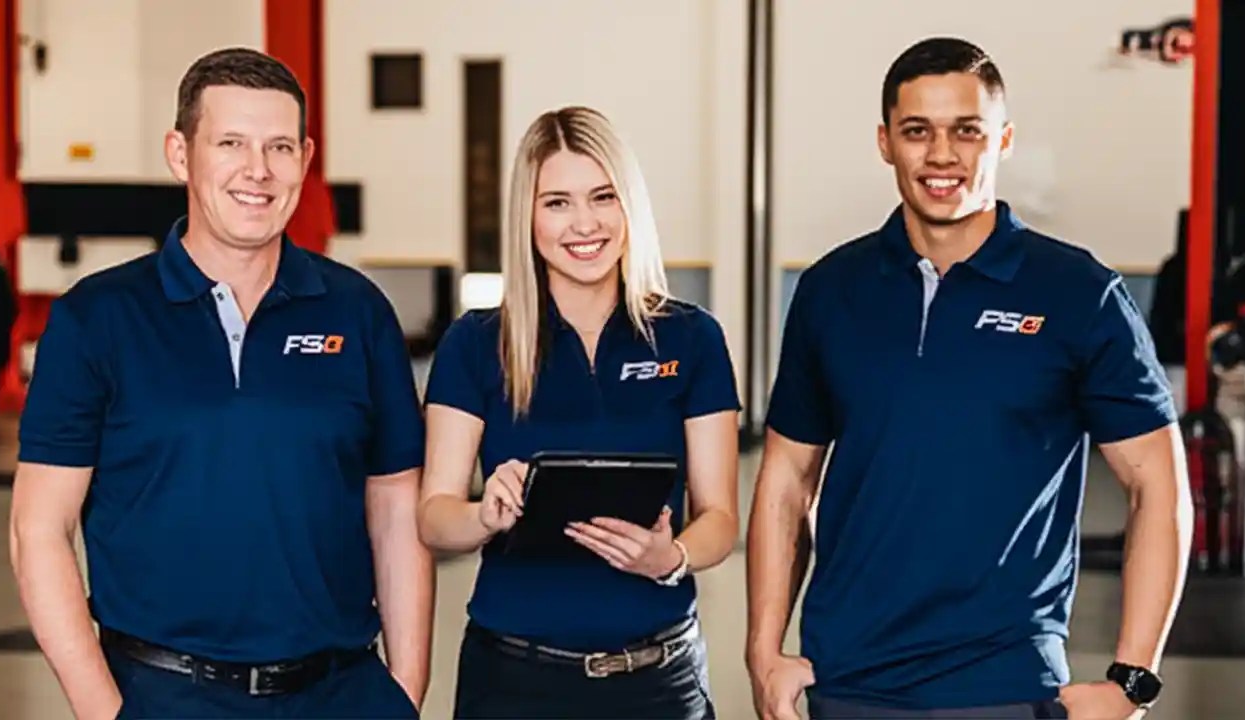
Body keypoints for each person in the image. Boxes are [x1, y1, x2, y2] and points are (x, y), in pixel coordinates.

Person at [745, 37, 1192, 720]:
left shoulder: (1078, 292)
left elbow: (1156, 484)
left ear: (1003, 140)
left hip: (1006, 685)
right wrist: (763, 650)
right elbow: (785, 480)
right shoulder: (832, 290)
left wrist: (1133, 680)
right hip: (847, 677)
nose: (943, 155)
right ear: (885, 142)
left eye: (968, 131)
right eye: (917, 130)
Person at [8, 47, 433, 719]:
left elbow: (396, 511)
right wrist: (104, 710)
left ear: (305, 157)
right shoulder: (97, 318)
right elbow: (38, 528)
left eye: (279, 147)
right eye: (231, 142)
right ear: (181, 154)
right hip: (162, 695)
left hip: (343, 693)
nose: (257, 171)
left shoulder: (358, 312)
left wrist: (403, 692)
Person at [418, 105, 741, 719]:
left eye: (602, 197)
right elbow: (435, 518)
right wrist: (486, 514)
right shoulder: (475, 343)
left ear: (629, 207)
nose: (584, 223)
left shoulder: (691, 339)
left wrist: (670, 559)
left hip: (658, 683)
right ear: (528, 217)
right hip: (513, 682)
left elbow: (721, 516)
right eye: (557, 202)